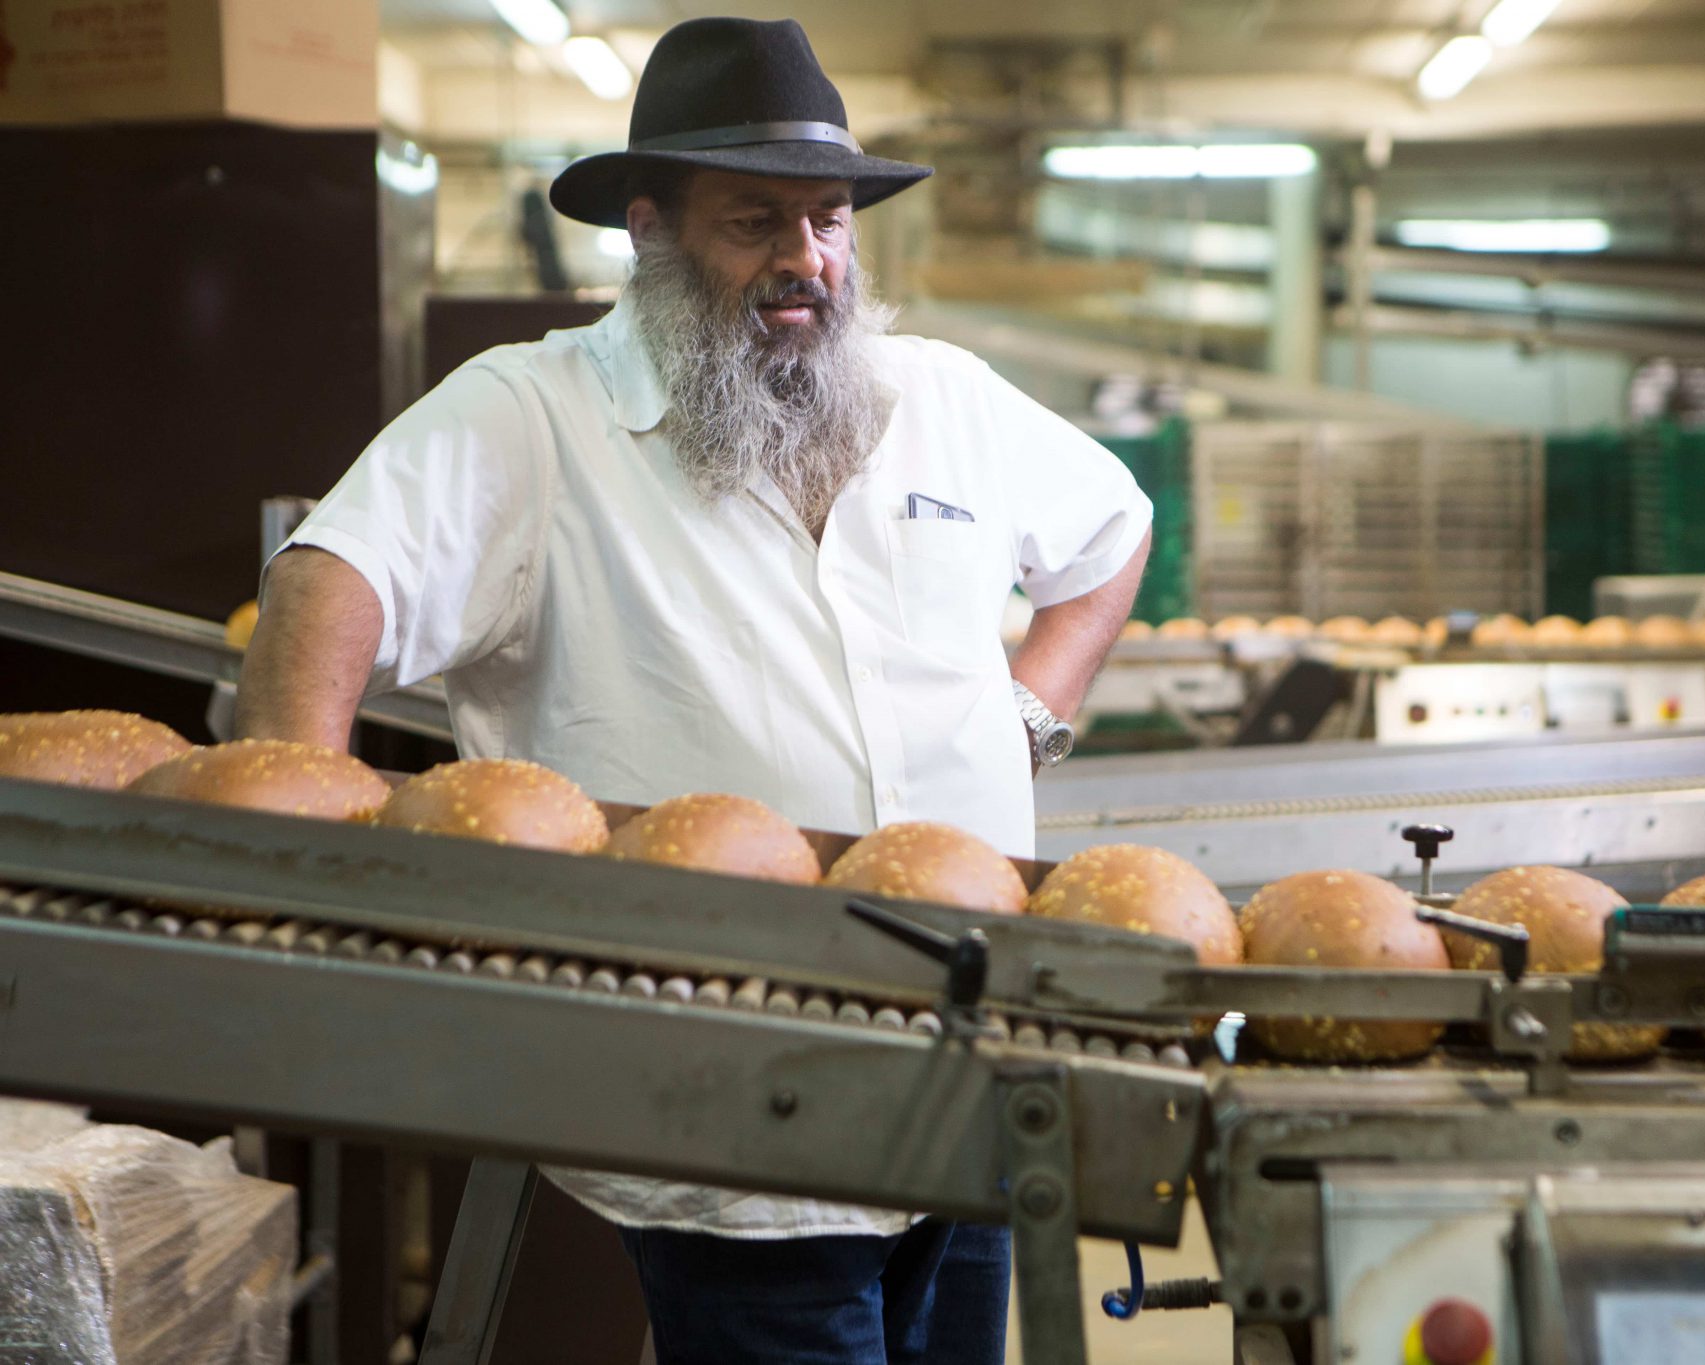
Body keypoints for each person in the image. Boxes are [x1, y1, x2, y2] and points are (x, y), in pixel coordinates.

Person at [234, 15, 1151, 1365]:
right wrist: (291, 870)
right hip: (737, 1103)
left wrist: (1028, 712)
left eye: (830, 218)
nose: (806, 261)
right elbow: (331, 576)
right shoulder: (536, 416)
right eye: (754, 221)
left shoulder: (937, 397)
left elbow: (1112, 529)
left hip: (968, 1065)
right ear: (651, 230)